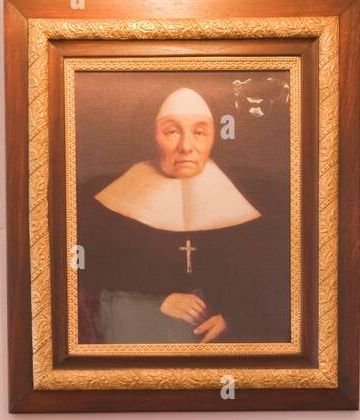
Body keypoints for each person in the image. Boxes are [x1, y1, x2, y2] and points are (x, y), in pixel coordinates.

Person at [77, 87, 290, 345]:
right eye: (172, 132)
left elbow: (276, 287)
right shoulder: (104, 208)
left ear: (214, 136)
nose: (186, 147)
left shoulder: (256, 199)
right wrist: (157, 302)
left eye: (199, 132)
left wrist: (235, 319)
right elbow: (89, 286)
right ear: (151, 136)